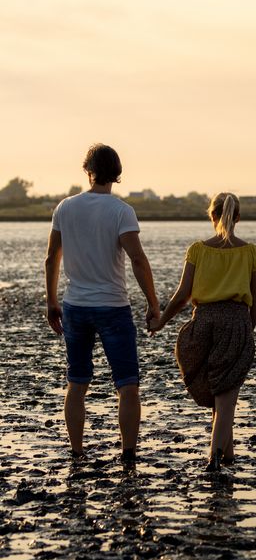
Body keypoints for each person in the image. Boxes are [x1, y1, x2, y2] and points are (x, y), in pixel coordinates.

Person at [44, 143, 160, 463]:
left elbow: (52, 258)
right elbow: (138, 260)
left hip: (75, 306)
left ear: (88, 170)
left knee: (77, 382)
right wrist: (153, 303)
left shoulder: (65, 207)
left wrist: (51, 302)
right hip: (113, 307)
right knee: (127, 385)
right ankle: (128, 454)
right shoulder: (121, 211)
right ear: (117, 173)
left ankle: (77, 451)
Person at [149, 193, 256, 472]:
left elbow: (182, 296)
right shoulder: (251, 253)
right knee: (226, 396)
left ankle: (228, 456)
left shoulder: (198, 250)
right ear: (238, 217)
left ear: (212, 216)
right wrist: (247, 329)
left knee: (220, 395)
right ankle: (215, 458)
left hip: (203, 322)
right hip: (236, 321)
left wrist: (161, 321)